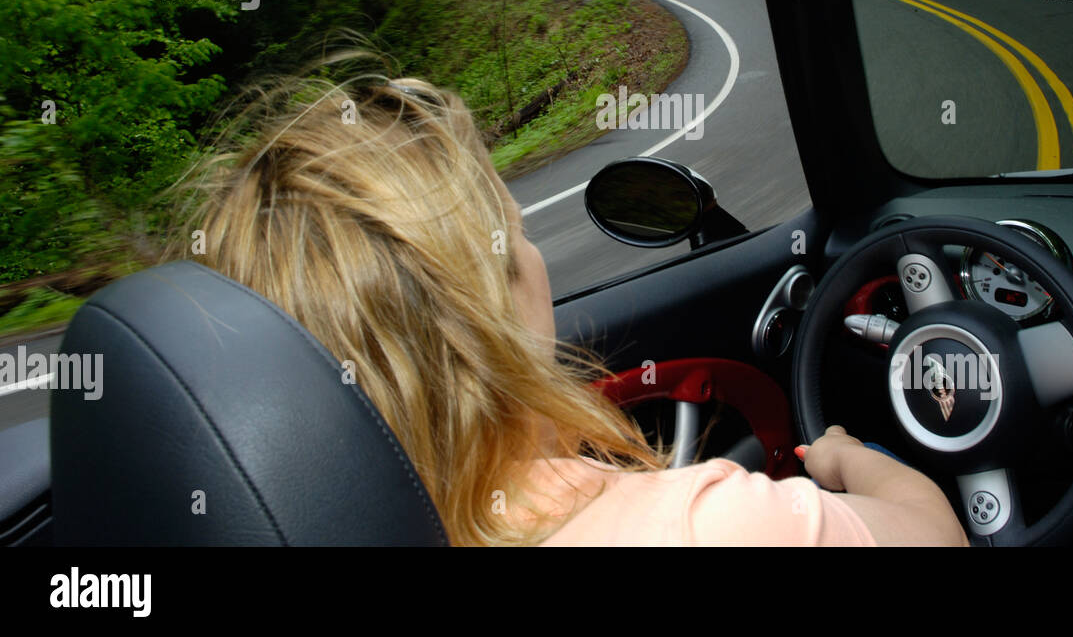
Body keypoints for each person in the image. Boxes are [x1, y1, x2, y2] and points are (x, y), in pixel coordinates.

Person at [166, 51, 967, 547]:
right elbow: (938, 535)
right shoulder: (703, 524)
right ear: (489, 310)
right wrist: (848, 458)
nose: (534, 253)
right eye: (516, 233)